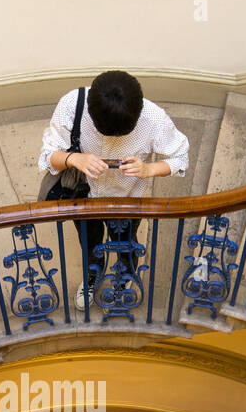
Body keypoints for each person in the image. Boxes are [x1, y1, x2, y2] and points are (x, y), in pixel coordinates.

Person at [38, 70, 190, 310]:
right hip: (84, 196)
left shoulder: (154, 119)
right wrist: (74, 159)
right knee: (89, 241)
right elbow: (48, 156)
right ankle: (93, 274)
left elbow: (180, 157)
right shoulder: (72, 105)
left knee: (126, 241)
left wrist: (149, 169)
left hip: (127, 200)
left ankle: (125, 276)